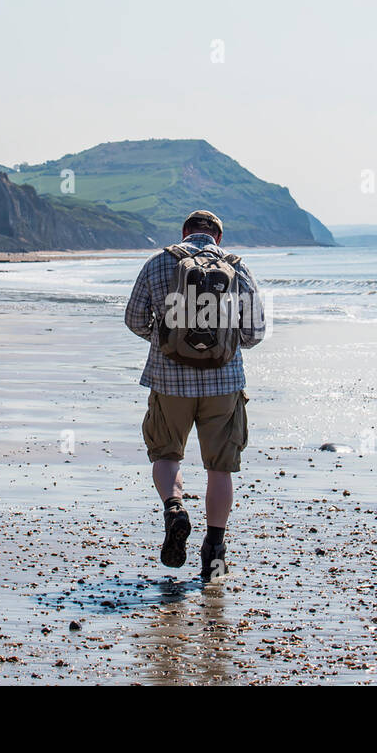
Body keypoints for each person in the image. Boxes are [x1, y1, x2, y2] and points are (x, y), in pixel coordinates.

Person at [124, 210, 265, 581]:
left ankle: (175, 511)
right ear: (217, 237)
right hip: (224, 383)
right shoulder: (238, 268)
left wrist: (167, 342)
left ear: (184, 232)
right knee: (220, 467)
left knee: (167, 454)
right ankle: (214, 551)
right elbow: (254, 333)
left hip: (169, 382)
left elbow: (135, 319)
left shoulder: (158, 264)